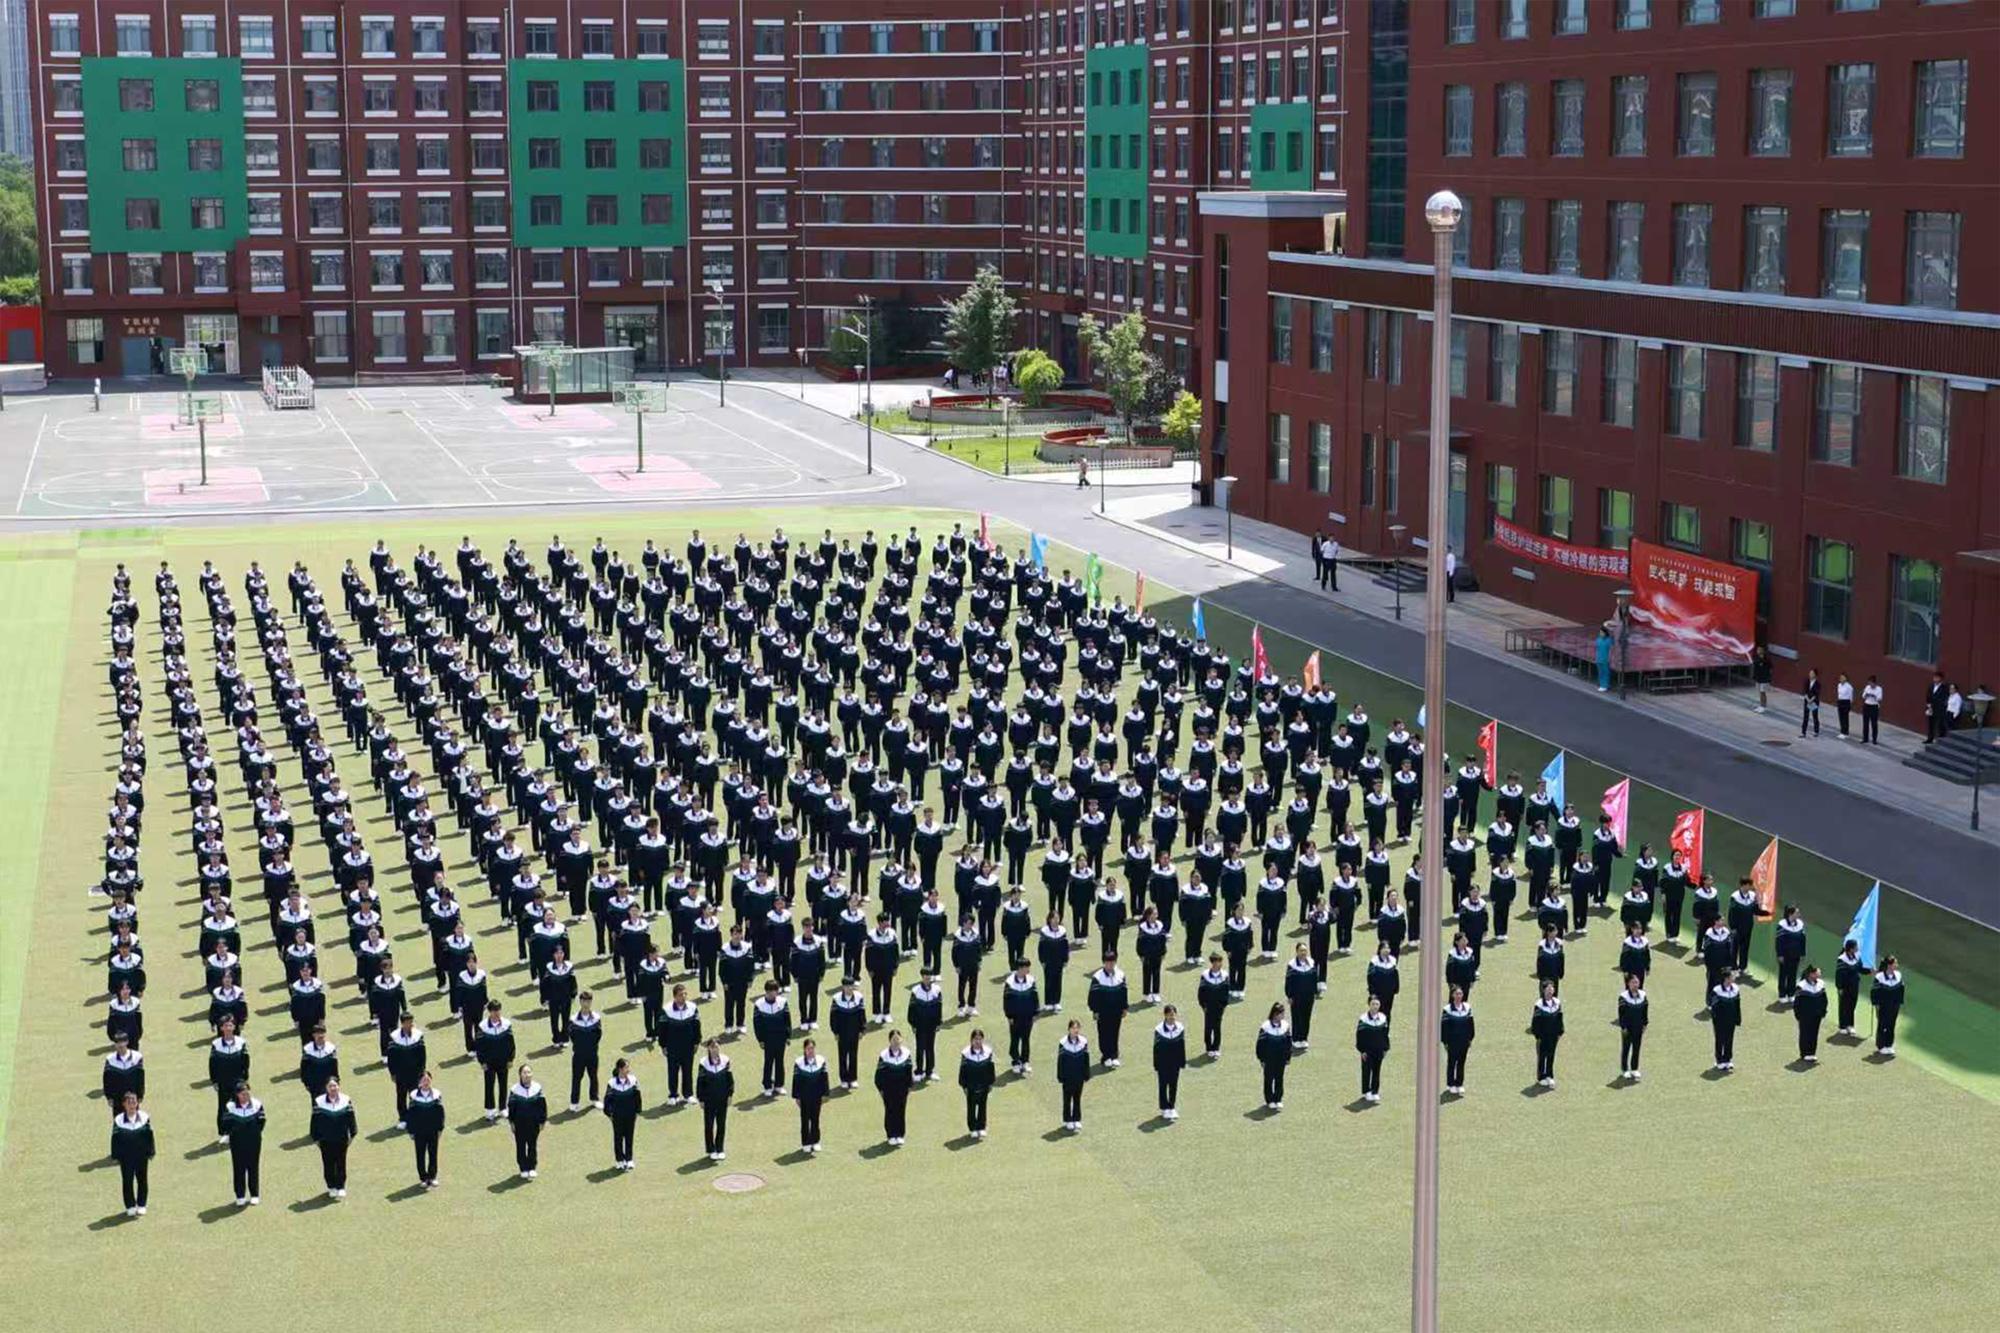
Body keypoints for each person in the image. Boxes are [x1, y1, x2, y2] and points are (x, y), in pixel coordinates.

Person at [310, 1076, 358, 1200]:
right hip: (325, 1140)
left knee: (341, 1162)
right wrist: (316, 1138)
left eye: (335, 1085)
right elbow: (314, 1122)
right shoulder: (319, 1102)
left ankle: (341, 1186)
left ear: (338, 1086)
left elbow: (351, 1118)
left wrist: (352, 1134)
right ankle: (331, 1186)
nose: (333, 1088)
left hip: (341, 1138)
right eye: (330, 1086)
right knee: (328, 1163)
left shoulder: (346, 1100)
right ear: (326, 1088)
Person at [109, 1091, 155, 1218]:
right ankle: (130, 1206)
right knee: (127, 1180)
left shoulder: (144, 1117)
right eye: (129, 1103)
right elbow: (115, 1139)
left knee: (142, 1179)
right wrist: (115, 1155)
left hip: (141, 1155)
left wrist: (151, 1151)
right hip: (126, 1157)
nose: (132, 1105)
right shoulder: (119, 1120)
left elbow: (149, 1136)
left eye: (134, 1102)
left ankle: (141, 1205)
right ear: (124, 1104)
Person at [221, 1083, 265, 1206]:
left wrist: (253, 1133)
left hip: (254, 1141)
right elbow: (226, 1124)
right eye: (243, 1094)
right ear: (237, 1095)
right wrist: (234, 1133)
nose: (246, 1096)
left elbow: (261, 1121)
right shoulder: (230, 1107)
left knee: (253, 1167)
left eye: (247, 1093)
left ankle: (254, 1195)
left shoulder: (256, 1104)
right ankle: (240, 1196)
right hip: (237, 1142)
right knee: (238, 1168)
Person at [473, 1002, 515, 1120]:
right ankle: (490, 1110)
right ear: (489, 1012)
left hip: (503, 1061)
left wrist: (510, 1059)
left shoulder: (506, 1024)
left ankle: (503, 1108)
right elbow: (479, 1046)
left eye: (498, 1010)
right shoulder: (482, 1026)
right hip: (489, 1062)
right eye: (494, 1011)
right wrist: (482, 1062)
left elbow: (511, 1044)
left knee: (503, 1084)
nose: (497, 1013)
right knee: (489, 1085)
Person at [507, 1064, 548, 1180]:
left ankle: (532, 1167)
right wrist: (511, 1123)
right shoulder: (515, 1090)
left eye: (529, 1072)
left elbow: (542, 1107)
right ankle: (523, 1168)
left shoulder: (537, 1088)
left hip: (533, 1124)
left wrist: (542, 1121)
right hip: (519, 1124)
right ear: (520, 1075)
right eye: (524, 1073)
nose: (527, 1075)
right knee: (520, 1146)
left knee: (532, 1145)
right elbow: (511, 1109)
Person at [695, 1039, 734, 1161]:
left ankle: (720, 1149)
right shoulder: (703, 1063)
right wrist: (701, 1099)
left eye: (717, 1047)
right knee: (709, 1125)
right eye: (713, 1047)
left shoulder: (725, 1060)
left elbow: (730, 1080)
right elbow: (700, 1082)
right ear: (708, 1048)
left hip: (722, 1098)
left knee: (721, 1124)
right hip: (709, 1099)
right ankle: (711, 1149)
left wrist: (730, 1095)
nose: (715, 1050)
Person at [405, 1071, 445, 1189]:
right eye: (423, 1080)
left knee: (433, 1154)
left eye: (428, 1080)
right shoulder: (414, 1096)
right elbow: (410, 1116)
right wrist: (411, 1131)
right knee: (420, 1154)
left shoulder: (436, 1095)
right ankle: (423, 1178)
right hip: (419, 1131)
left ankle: (432, 1177)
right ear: (419, 1082)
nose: (426, 1082)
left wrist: (440, 1128)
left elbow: (440, 1114)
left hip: (433, 1130)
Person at [1087, 953, 1129, 1066]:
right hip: (1103, 1011)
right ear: (1104, 963)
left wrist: (1124, 1007)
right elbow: (1093, 996)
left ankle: (1114, 1055)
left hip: (1116, 1011)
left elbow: (1124, 993)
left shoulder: (1120, 975)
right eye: (1108, 962)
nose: (1110, 965)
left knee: (1115, 1032)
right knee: (1104, 1033)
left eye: (1112, 962)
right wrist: (1095, 1010)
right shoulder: (1097, 977)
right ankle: (1106, 1056)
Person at [751, 980, 792, 1097]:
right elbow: (757, 1024)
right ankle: (767, 1086)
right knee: (768, 1062)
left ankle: (779, 1085)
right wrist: (760, 1040)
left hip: (780, 1037)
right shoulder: (759, 1005)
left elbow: (787, 1020)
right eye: (770, 991)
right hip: (768, 1039)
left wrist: (788, 1036)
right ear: (766, 992)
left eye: (775, 991)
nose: (773, 994)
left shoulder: (783, 1002)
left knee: (780, 1061)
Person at [875, 1030, 915, 1146]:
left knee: (901, 1111)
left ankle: (900, 1134)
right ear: (890, 1041)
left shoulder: (906, 1054)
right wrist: (881, 1089)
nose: (896, 1041)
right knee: (890, 1111)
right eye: (894, 1039)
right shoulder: (884, 1056)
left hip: (902, 1089)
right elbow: (879, 1075)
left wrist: (909, 1086)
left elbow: (909, 1072)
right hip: (889, 1090)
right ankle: (891, 1135)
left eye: (898, 1039)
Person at [791, 1038, 830, 1154]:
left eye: (812, 1048)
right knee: (805, 1119)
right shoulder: (799, 1063)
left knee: (815, 1119)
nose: (810, 1051)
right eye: (808, 1048)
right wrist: (796, 1097)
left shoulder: (821, 1061)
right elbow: (796, 1081)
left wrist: (825, 1094)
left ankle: (815, 1141)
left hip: (817, 1096)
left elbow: (824, 1079)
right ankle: (806, 1143)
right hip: (804, 1097)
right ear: (804, 1049)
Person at [602, 1058, 642, 1170]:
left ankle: (629, 1159)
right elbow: (607, 1101)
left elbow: (637, 1097)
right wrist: (609, 1114)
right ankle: (619, 1160)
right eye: (626, 1068)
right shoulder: (612, 1083)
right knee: (618, 1138)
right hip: (617, 1116)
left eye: (628, 1067)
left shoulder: (633, 1080)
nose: (628, 1070)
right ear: (620, 1069)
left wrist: (637, 1111)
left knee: (629, 1137)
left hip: (630, 1115)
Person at [958, 1029, 997, 1139]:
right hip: (971, 1085)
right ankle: (973, 1128)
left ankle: (981, 1127)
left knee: (982, 1106)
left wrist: (991, 1083)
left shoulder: (988, 1053)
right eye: (975, 1039)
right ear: (971, 1040)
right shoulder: (966, 1054)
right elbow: (962, 1071)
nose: (978, 1041)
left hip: (984, 1084)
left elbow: (991, 1069)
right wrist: (964, 1086)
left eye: (980, 1039)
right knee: (971, 1107)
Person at [1153, 1003, 1187, 1120]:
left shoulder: (1180, 1028)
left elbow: (1182, 1046)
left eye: (1173, 1015)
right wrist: (1156, 1064)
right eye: (1169, 1015)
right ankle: (1164, 1108)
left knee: (1173, 1085)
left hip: (1175, 1063)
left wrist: (1182, 1062)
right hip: (1163, 1063)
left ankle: (1172, 1107)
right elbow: (1156, 1049)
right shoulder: (1159, 1029)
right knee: (1163, 1085)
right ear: (1165, 1015)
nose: (1172, 1017)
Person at [1255, 1003, 1293, 1110]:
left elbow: (1288, 1044)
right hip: (1269, 1058)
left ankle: (1278, 1099)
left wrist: (1288, 1057)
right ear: (1275, 1014)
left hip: (1281, 1058)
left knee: (1279, 1078)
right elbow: (1260, 1045)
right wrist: (1261, 1059)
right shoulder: (1265, 1027)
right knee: (1269, 1078)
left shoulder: (1285, 1026)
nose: (1283, 1016)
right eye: (1281, 1014)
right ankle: (1270, 1100)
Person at [1056, 1019, 1091, 1130]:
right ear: (1069, 1029)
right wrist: (1060, 1076)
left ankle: (1076, 1119)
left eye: (1077, 1028)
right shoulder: (1063, 1043)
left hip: (1079, 1075)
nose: (1075, 1030)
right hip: (1068, 1076)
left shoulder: (1083, 1042)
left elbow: (1086, 1060)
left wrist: (1086, 1074)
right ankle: (1067, 1120)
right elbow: (1060, 1062)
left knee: (1077, 1098)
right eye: (1073, 1028)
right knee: (1067, 1099)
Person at [1354, 996, 1390, 1103]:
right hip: (1367, 1051)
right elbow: (1359, 1037)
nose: (1375, 1006)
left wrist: (1385, 1048)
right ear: (1369, 1005)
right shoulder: (1363, 1019)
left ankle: (1375, 1091)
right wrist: (1362, 1051)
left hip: (1379, 1050)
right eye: (1373, 1004)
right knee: (1366, 1071)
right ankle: (1366, 1091)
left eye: (1377, 1004)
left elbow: (1385, 1035)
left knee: (1376, 1071)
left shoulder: (1383, 1018)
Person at [1440, 987, 1474, 1096]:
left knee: (1461, 1062)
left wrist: (1470, 1038)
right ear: (1453, 995)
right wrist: (1445, 1041)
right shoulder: (1447, 1009)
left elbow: (1471, 1025)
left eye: (1460, 994)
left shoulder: (1467, 1008)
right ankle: (1451, 1084)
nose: (1459, 996)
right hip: (1452, 1041)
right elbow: (1444, 1027)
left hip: (1464, 1041)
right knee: (1452, 1062)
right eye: (1457, 994)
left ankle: (1459, 1083)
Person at [1529, 982, 1564, 1088]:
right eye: (1548, 989)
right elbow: (1535, 1022)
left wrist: (1560, 1031)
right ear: (1543, 991)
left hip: (1553, 1035)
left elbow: (1560, 1019)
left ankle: (1549, 1075)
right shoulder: (1539, 1005)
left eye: (1551, 989)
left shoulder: (1557, 1003)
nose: (1550, 991)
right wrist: (1538, 1036)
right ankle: (1541, 1077)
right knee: (1542, 1056)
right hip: (1543, 1036)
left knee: (1551, 1055)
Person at [1833, 938, 1870, 1036]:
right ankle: (1842, 1026)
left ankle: (1850, 1025)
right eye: (1856, 946)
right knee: (1844, 1006)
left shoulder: (1856, 957)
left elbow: (1860, 969)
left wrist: (1870, 971)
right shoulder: (1842, 959)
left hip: (1854, 986)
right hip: (1845, 987)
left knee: (1852, 1005)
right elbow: (1839, 975)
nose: (1857, 948)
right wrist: (1839, 987)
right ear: (1851, 949)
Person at [1196, 953, 1231, 1056]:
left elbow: (1226, 992)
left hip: (1219, 1007)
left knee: (1217, 1027)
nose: (1218, 964)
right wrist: (1203, 1006)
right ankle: (1209, 1048)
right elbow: (1201, 993)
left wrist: (1224, 1005)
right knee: (1208, 1027)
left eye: (1220, 962)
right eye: (1216, 962)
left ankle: (1216, 1048)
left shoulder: (1225, 975)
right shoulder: (1205, 975)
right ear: (1212, 963)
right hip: (1208, 1006)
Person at [1709, 969, 1744, 1071]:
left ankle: (1727, 1059)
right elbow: (1713, 1007)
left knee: (1729, 1039)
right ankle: (1719, 1060)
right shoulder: (1717, 990)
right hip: (1720, 1021)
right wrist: (1716, 1020)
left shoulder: (1736, 989)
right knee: (1720, 1040)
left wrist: (1738, 1018)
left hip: (1731, 1020)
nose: (1734, 978)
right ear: (1726, 978)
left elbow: (1737, 1005)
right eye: (1732, 976)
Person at [1793, 965, 1828, 1064]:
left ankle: (1812, 1052)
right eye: (1817, 973)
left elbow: (1824, 999)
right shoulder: (1801, 986)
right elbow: (1797, 1002)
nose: (1819, 974)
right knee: (1805, 1033)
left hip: (1817, 1014)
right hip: (1805, 1015)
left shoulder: (1821, 984)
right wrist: (1797, 1014)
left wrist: (1823, 1010)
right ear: (1811, 974)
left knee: (1814, 1033)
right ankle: (1804, 1053)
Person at [1871, 956, 1906, 1056]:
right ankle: (1881, 1046)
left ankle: (1889, 1045)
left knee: (1891, 1024)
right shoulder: (1879, 977)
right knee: (1882, 1025)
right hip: (1883, 1005)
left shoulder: (1898, 975)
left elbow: (1901, 989)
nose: (1897, 965)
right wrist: (1876, 1004)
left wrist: (1900, 1002)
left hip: (1894, 1005)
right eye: (1895, 963)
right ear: (1889, 965)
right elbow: (1875, 991)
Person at [1616, 974, 1648, 1081]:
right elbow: (1621, 1014)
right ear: (1628, 983)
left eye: (1637, 982)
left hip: (1638, 1027)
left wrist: (1645, 1024)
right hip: (1627, 1027)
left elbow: (1645, 1011)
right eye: (1633, 982)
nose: (1635, 985)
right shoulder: (1623, 997)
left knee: (1636, 1048)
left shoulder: (1643, 995)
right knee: (1626, 1048)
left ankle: (1634, 1069)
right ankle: (1625, 1069)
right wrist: (1623, 1027)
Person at [1773, 906, 1808, 1002]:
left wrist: (1802, 953)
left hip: (1796, 954)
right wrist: (1780, 955)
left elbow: (1803, 940)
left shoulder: (1800, 924)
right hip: (1785, 955)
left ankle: (1791, 993)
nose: (1799, 914)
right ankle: (1782, 995)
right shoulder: (1782, 925)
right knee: (1783, 975)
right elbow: (1779, 941)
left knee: (1793, 974)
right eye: (1797, 913)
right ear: (1790, 914)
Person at [1860, 676, 1884, 745]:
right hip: (1867, 705)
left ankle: (1874, 739)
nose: (1870, 684)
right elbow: (1863, 696)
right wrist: (1866, 695)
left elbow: (1880, 698)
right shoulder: (1867, 687)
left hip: (1874, 706)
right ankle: (1865, 738)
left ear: (1874, 683)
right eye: (1869, 683)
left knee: (1874, 724)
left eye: (1871, 683)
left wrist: (1874, 696)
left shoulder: (1879, 689)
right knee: (1865, 723)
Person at [1800, 669, 1821, 738]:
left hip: (1814, 702)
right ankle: (1803, 732)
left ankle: (1816, 731)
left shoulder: (1817, 684)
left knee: (1815, 716)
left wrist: (1811, 700)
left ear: (1815, 675)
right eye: (1810, 673)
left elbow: (1816, 694)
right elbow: (1805, 691)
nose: (1810, 674)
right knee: (1805, 717)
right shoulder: (1807, 681)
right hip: (1807, 701)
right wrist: (1807, 699)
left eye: (1812, 673)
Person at [1751, 648, 1773, 714]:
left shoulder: (1766, 660)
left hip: (1764, 679)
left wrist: (1769, 677)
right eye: (1757, 650)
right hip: (1759, 678)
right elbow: (1755, 667)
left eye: (1759, 650)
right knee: (1760, 693)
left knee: (1763, 692)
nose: (1758, 651)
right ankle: (1761, 705)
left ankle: (1763, 706)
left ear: (1762, 651)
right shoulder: (1757, 659)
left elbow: (1770, 668)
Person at [1834, 674, 1854, 739]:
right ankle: (1842, 732)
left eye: (1843, 677)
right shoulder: (1839, 685)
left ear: (1846, 678)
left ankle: (1845, 732)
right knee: (1841, 717)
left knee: (1845, 718)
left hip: (1846, 702)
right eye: (1841, 677)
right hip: (1840, 701)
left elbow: (1851, 696)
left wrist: (1849, 704)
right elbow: (1839, 694)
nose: (1841, 679)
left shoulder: (1849, 687)